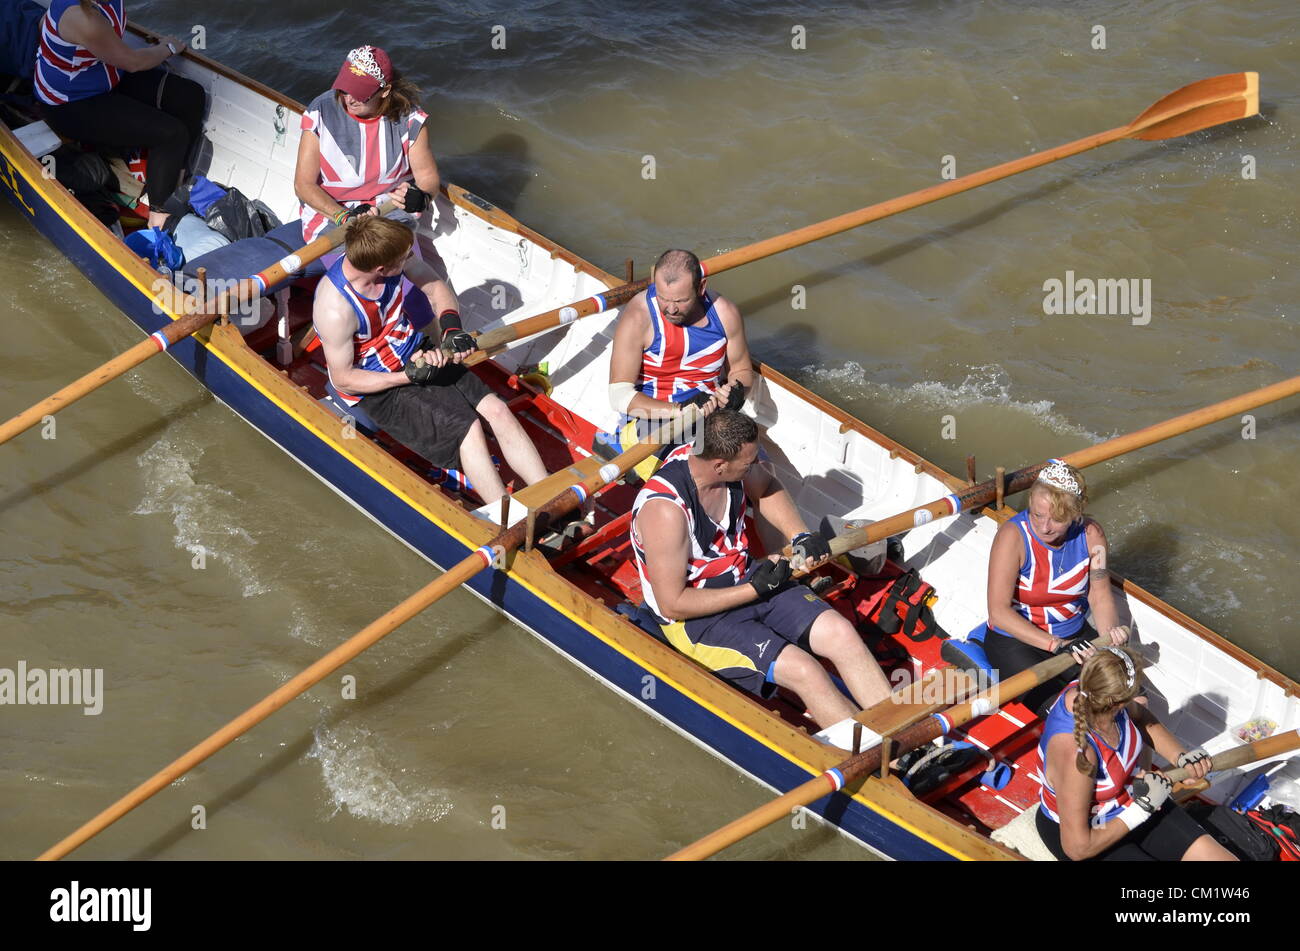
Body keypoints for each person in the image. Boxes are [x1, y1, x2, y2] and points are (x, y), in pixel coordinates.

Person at [630, 409, 892, 729]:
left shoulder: (728, 467)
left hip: (749, 580)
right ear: (719, 465)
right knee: (805, 670)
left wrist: (800, 535)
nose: (755, 465)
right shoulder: (665, 511)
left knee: (841, 634)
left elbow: (766, 486)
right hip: (695, 619)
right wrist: (754, 589)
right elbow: (674, 603)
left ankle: (903, 735)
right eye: (749, 462)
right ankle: (882, 763)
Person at [312, 216, 547, 505]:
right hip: (379, 386)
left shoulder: (391, 258)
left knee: (497, 410)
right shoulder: (335, 308)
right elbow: (343, 379)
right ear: (381, 269)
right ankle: (507, 520)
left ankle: (550, 496)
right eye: (404, 258)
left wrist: (451, 329)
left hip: (417, 353)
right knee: (468, 429)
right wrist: (407, 377)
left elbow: (435, 288)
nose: (409, 259)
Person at [1036, 645, 1234, 861]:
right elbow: (1077, 849)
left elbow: (1141, 718)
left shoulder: (1098, 694)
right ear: (1117, 700)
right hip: (1091, 832)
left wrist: (1181, 757)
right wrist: (1143, 808)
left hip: (1136, 799)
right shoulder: (1078, 753)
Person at [33, 0, 205, 229]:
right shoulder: (83, 18)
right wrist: (169, 47)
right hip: (68, 103)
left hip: (103, 75)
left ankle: (175, 183)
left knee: (191, 96)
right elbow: (133, 63)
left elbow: (44, 23)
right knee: (172, 134)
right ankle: (158, 217)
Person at [980, 461, 1127, 711]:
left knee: (1129, 698)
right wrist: (1057, 645)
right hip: (1015, 642)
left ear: (1076, 514)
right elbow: (998, 613)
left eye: (1057, 519)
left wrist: (1110, 637)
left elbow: (1100, 596)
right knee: (1074, 712)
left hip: (1075, 638)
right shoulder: (1012, 537)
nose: (1045, 527)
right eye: (1038, 515)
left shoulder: (1093, 535)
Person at [608, 249, 755, 462]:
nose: (671, 309)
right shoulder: (639, 316)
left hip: (711, 412)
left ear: (701, 287)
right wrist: (680, 411)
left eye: (680, 300)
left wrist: (736, 391)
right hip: (656, 417)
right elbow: (618, 395)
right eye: (663, 298)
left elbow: (741, 369)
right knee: (704, 464)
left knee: (757, 467)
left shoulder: (725, 313)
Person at [294, 45, 439, 244]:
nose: (348, 98)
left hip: (390, 212)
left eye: (359, 93)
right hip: (334, 216)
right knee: (361, 272)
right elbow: (303, 185)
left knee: (405, 271)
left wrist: (423, 197)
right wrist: (345, 217)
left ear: (385, 91)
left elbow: (428, 177)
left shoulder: (410, 119)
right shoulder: (321, 111)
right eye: (345, 89)